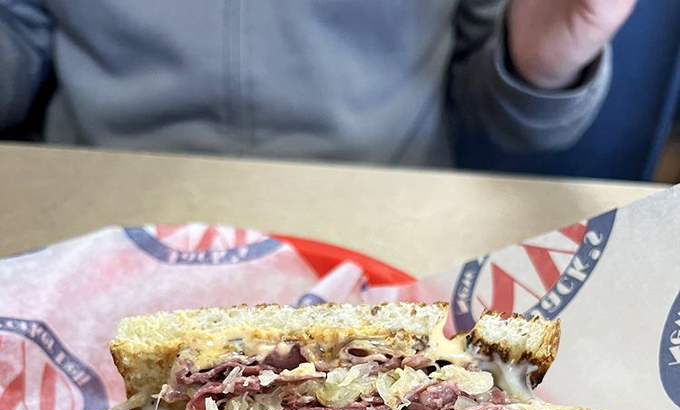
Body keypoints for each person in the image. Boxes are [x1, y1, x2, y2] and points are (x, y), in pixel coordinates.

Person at [0, 0, 635, 167]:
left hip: (385, 206)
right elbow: (19, 35)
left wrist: (541, 69)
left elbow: (502, 114)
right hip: (100, 193)